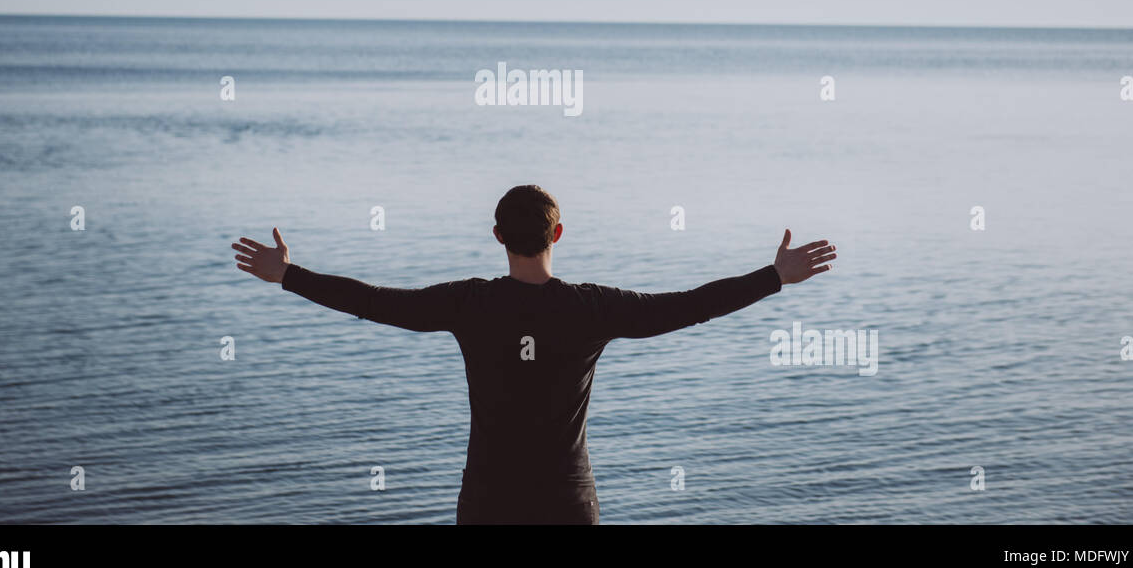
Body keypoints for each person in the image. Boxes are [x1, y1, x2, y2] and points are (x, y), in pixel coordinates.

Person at [232, 184, 836, 525]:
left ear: (498, 237)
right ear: (558, 234)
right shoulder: (594, 307)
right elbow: (685, 307)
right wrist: (772, 277)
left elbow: (377, 302)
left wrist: (290, 276)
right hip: (566, 501)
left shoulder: (469, 304)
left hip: (489, 499)